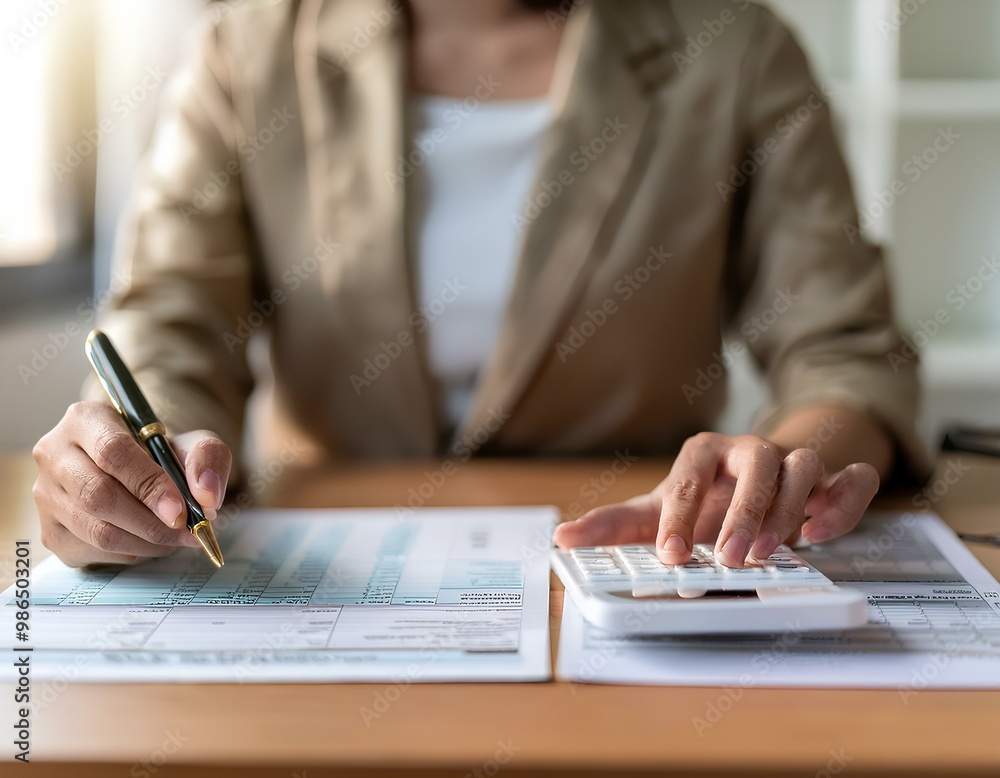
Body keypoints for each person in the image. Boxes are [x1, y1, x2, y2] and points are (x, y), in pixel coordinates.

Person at [32, 0, 929, 571]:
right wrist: (135, 470)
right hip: (322, 562)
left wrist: (782, 464)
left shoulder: (736, 49)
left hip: (644, 559)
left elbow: (842, 349)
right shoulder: (245, 51)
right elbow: (170, 327)